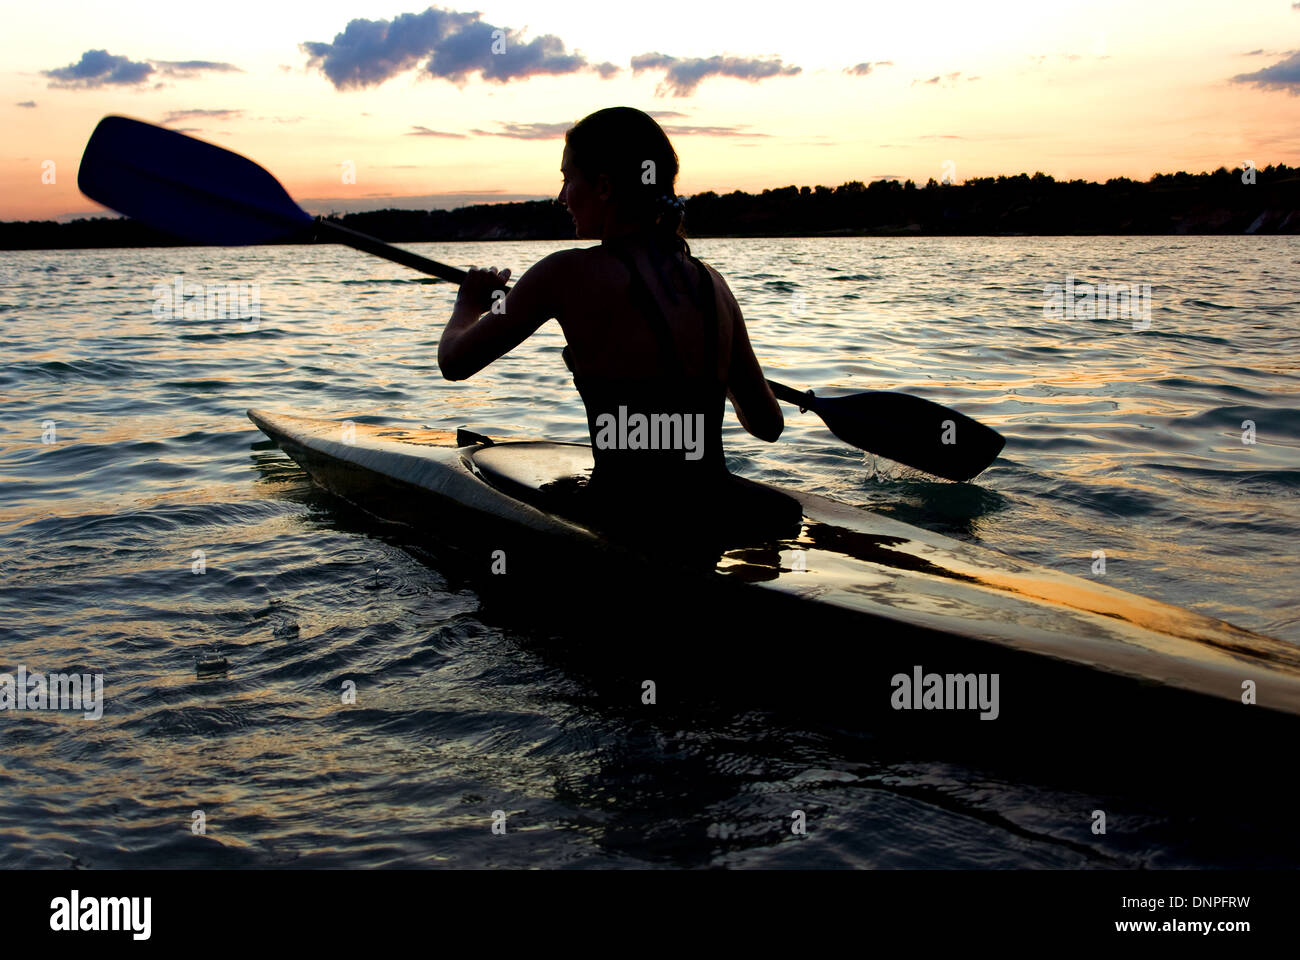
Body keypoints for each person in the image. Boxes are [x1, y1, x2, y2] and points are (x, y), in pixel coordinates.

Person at [437, 106, 800, 549]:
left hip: (626, 514)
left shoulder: (564, 274)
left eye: (568, 178)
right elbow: (767, 424)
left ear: (604, 186)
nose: (561, 196)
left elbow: (454, 362)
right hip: (713, 509)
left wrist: (469, 303)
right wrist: (708, 371)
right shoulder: (713, 285)